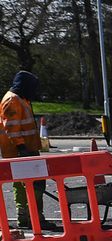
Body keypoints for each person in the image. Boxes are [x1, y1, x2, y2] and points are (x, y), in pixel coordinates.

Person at [1, 71, 50, 230]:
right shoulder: (13, 100)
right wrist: (22, 148)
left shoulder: (19, 98)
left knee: (21, 185)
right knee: (35, 184)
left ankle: (25, 217)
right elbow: (12, 129)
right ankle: (35, 217)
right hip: (22, 151)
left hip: (22, 150)